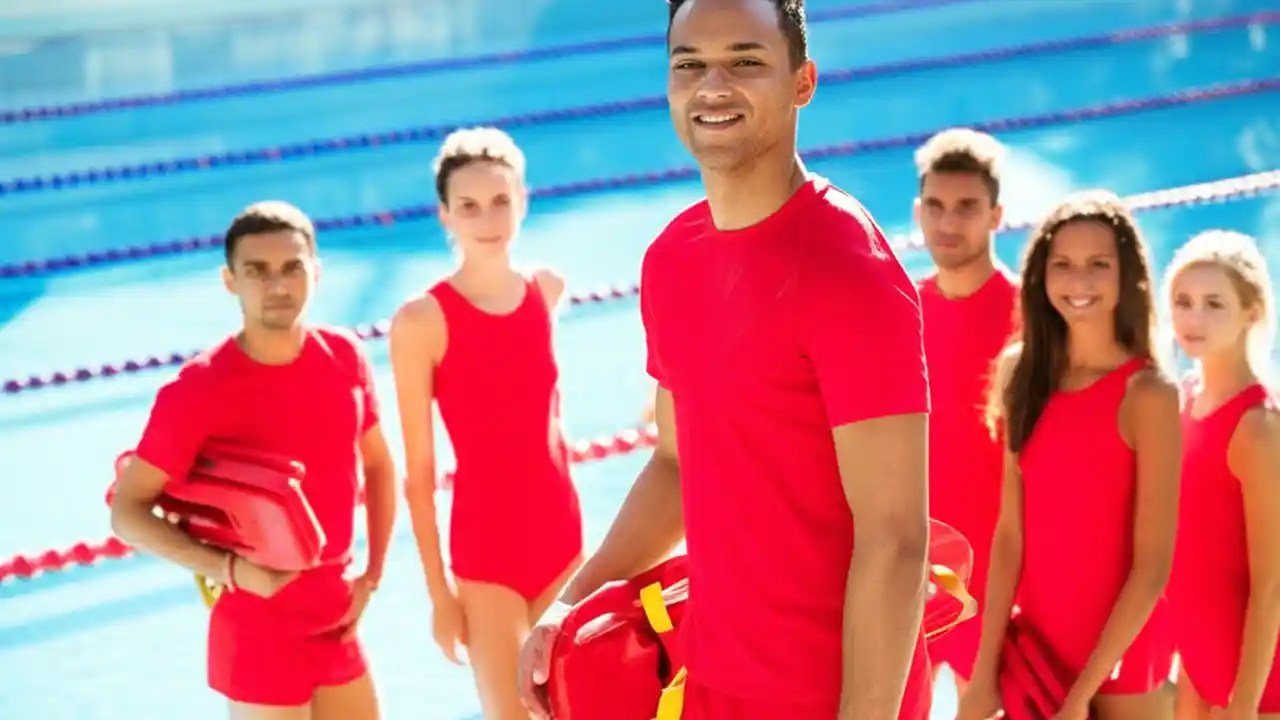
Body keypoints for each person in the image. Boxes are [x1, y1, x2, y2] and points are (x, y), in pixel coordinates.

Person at [519, 0, 935, 718]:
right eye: (690, 66)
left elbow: (895, 536)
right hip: (711, 676)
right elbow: (677, 465)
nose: (713, 86)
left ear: (802, 81)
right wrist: (572, 602)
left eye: (745, 61)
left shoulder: (847, 267)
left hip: (835, 690)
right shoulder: (672, 259)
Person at [109, 201, 397, 720]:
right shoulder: (198, 390)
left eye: (292, 267)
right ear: (229, 280)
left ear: (316, 271)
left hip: (336, 613)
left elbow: (378, 464)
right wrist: (231, 570)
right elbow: (128, 512)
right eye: (257, 271)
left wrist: (372, 574)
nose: (277, 285)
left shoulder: (345, 356)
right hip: (259, 625)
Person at [957, 190, 1181, 720]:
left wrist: (1082, 694)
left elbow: (1153, 565)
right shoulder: (1022, 375)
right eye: (1064, 265)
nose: (1079, 282)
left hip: (1124, 664)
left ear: (1127, 276)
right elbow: (1010, 535)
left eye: (1098, 265)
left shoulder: (1149, 395)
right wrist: (984, 671)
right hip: (1038, 651)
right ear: (1042, 276)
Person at [389, 127, 584, 720]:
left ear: (522, 200)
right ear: (445, 215)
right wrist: (439, 595)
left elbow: (550, 420)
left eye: (500, 201)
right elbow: (417, 475)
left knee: (582, 707)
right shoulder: (421, 321)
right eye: (469, 206)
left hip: (562, 536)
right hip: (486, 552)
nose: (488, 218)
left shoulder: (546, 291)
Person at [912, 127, 1019, 697]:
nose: (948, 223)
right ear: (918, 210)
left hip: (1003, 586)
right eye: (936, 206)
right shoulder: (901, 313)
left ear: (996, 215)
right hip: (915, 577)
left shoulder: (1034, 318)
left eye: (967, 208)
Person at [1164, 230, 1280, 719]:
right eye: (1183, 302)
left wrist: (1244, 705)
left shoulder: (1259, 427)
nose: (1194, 319)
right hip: (1199, 663)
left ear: (1251, 312)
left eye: (1214, 304)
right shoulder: (1184, 400)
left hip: (1260, 684)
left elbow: (1271, 584)